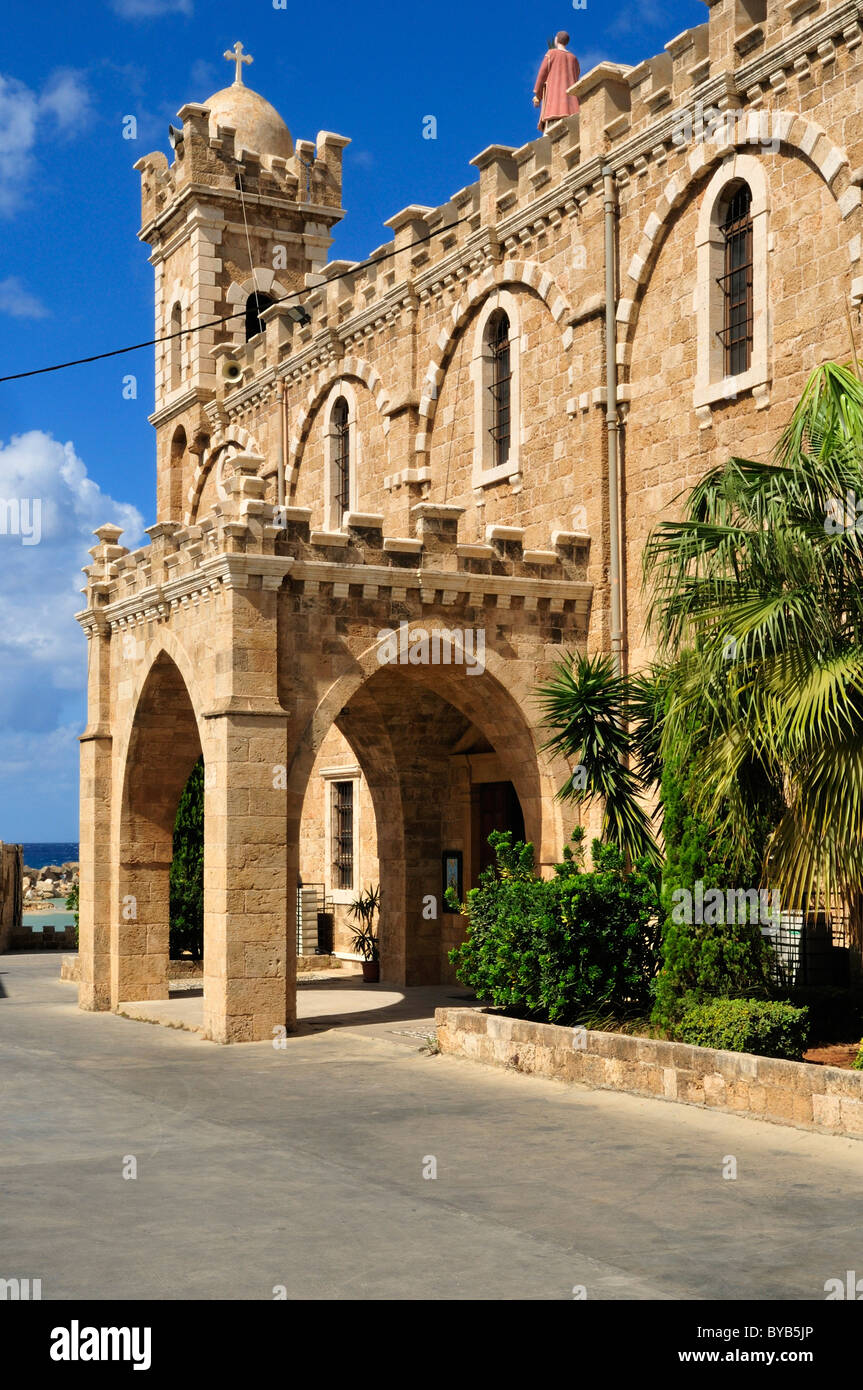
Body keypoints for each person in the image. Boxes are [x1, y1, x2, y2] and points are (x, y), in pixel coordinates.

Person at [533, 31, 580, 132]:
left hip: (554, 106)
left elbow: (542, 75)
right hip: (573, 107)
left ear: (556, 40)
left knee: (553, 134)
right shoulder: (574, 59)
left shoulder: (551, 54)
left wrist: (538, 95)